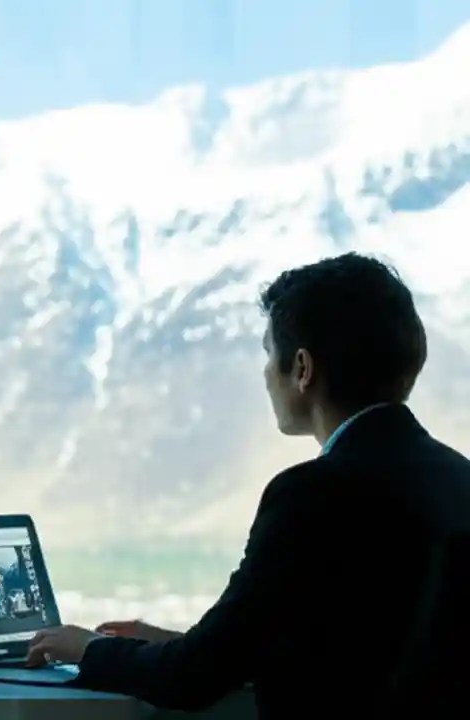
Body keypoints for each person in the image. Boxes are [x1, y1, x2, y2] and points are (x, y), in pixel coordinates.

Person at [25, 253, 470, 717]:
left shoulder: (311, 496)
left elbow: (189, 680)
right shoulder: (460, 479)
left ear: (302, 368)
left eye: (267, 353)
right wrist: (184, 644)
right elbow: (354, 650)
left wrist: (87, 648)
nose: (263, 374)